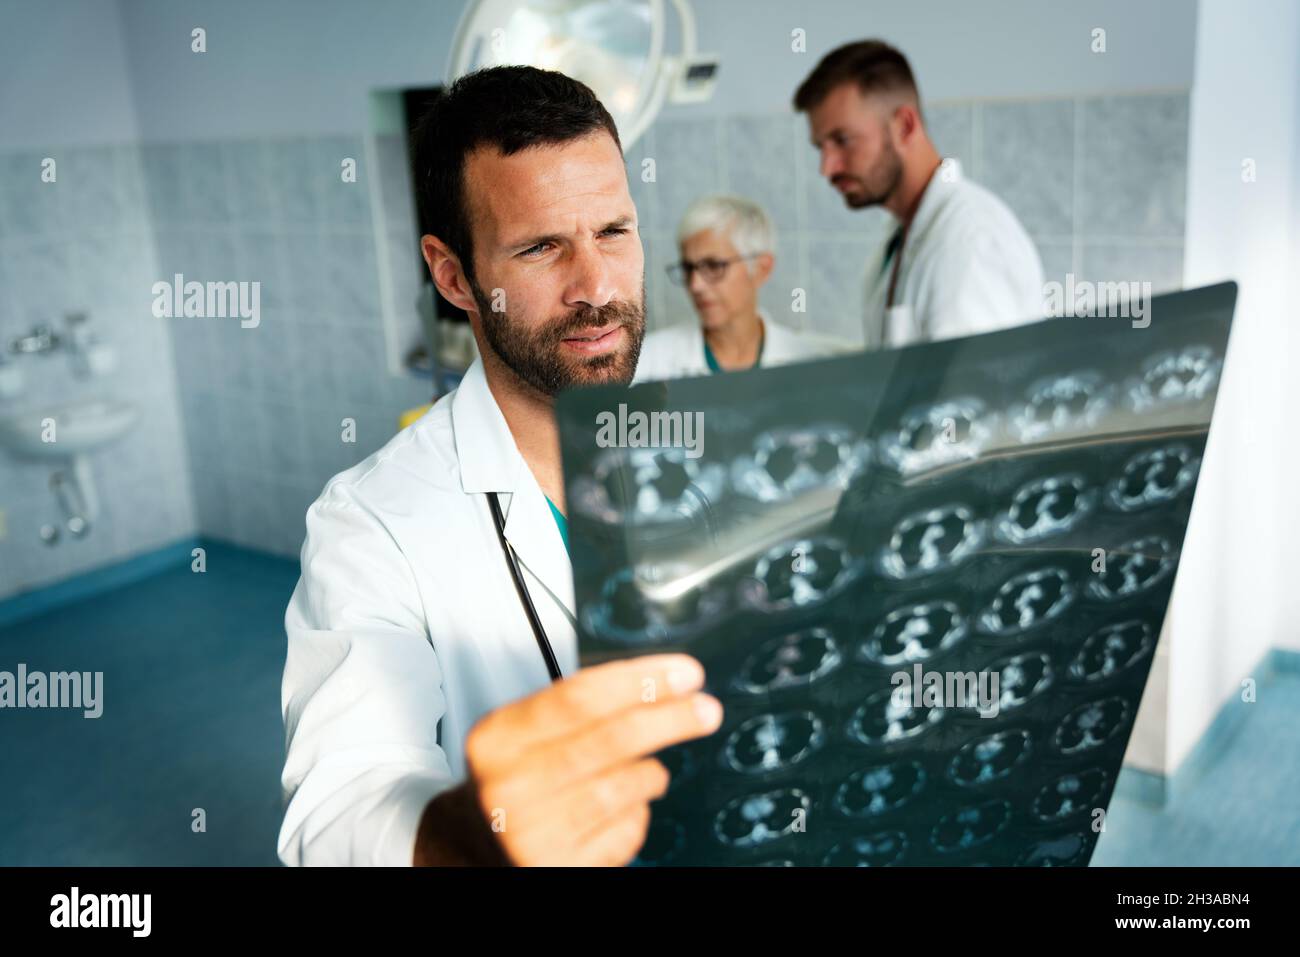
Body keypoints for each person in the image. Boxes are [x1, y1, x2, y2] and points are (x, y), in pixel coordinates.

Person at [277, 65, 723, 867]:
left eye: (614, 232)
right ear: (454, 276)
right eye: (541, 246)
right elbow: (336, 810)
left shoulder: (705, 439)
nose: (596, 287)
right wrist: (468, 833)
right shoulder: (371, 524)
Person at [794, 39, 1045, 348]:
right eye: (821, 147)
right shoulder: (902, 239)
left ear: (904, 126)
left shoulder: (969, 242)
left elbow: (975, 392)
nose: (827, 168)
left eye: (843, 140)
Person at [634, 194, 853, 381]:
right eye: (689, 267)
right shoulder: (648, 362)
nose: (695, 285)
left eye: (713, 266)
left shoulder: (809, 364)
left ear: (761, 268)